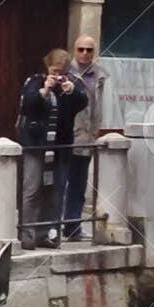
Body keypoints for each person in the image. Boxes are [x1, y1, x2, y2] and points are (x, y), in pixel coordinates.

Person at [17, 48, 87, 250]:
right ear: (47, 67)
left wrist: (71, 91)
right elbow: (27, 105)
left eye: (61, 72)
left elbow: (83, 101)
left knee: (55, 193)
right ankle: (27, 234)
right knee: (32, 190)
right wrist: (44, 91)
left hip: (61, 148)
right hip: (36, 146)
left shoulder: (73, 84)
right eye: (54, 71)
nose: (57, 76)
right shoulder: (34, 82)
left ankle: (47, 234)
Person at [62, 34, 107, 241]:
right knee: (60, 184)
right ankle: (54, 227)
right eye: (81, 49)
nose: (85, 53)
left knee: (79, 186)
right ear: (74, 50)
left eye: (89, 50)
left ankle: (73, 227)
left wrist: (96, 133)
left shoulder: (99, 75)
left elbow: (97, 107)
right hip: (67, 137)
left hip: (88, 138)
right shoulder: (65, 73)